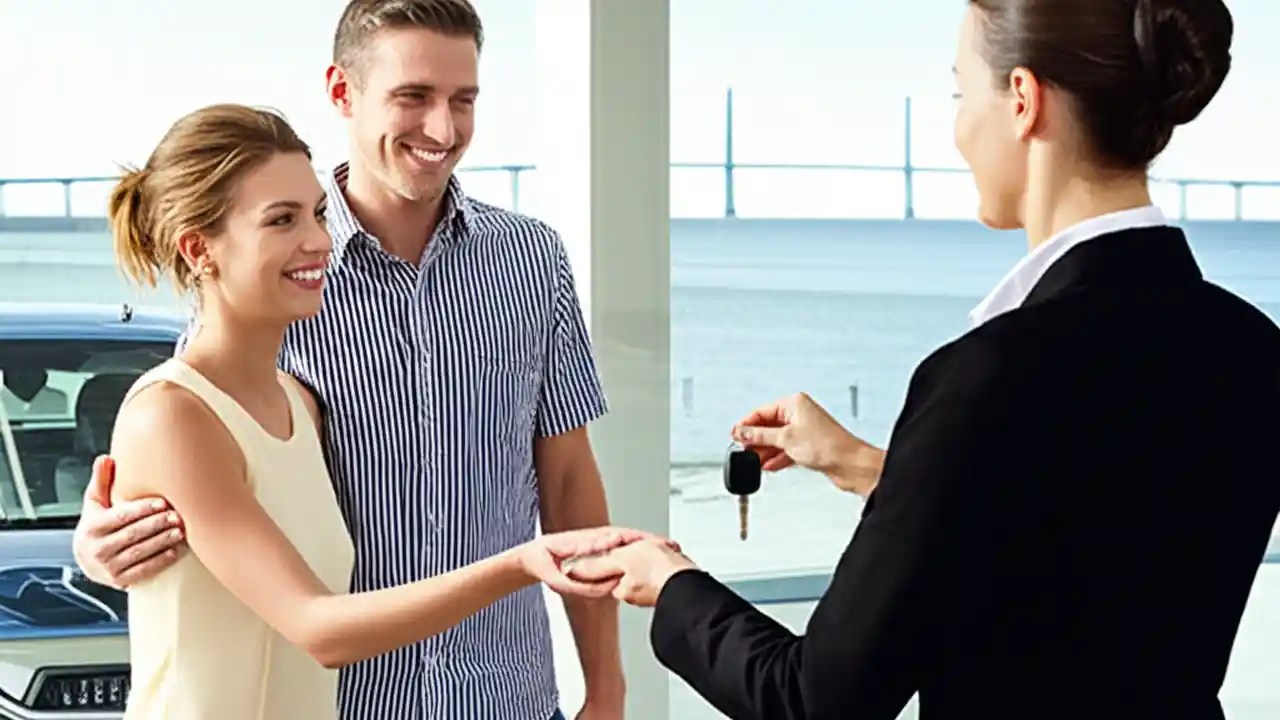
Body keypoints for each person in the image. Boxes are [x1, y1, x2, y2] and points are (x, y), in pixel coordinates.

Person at [570, 1, 1280, 719]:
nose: (958, 129)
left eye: (959, 93)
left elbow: (813, 698)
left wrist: (670, 583)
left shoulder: (989, 374)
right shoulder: (1255, 350)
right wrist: (868, 467)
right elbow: (1083, 551)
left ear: (1023, 102)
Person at [72, 2, 626, 719]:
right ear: (342, 92)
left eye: (464, 100)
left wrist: (607, 687)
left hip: (511, 697)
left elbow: (570, 478)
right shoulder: (268, 281)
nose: (444, 129)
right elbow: (195, 458)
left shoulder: (533, 260)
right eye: (413, 97)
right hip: (352, 702)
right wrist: (98, 546)